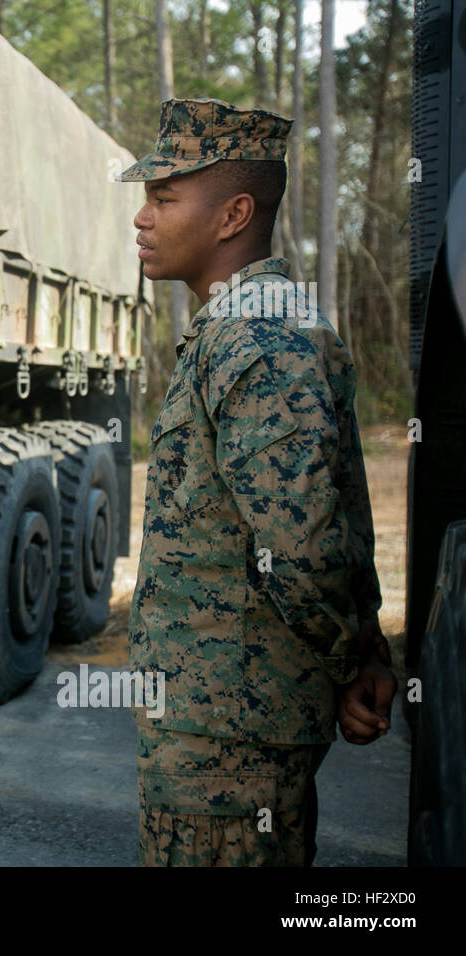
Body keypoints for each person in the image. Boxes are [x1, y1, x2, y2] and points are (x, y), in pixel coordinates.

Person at [116, 98, 397, 866]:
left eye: (165, 198)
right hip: (218, 723)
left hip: (231, 741)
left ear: (234, 213)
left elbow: (302, 548)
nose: (143, 217)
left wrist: (352, 659)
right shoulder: (236, 328)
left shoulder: (260, 340)